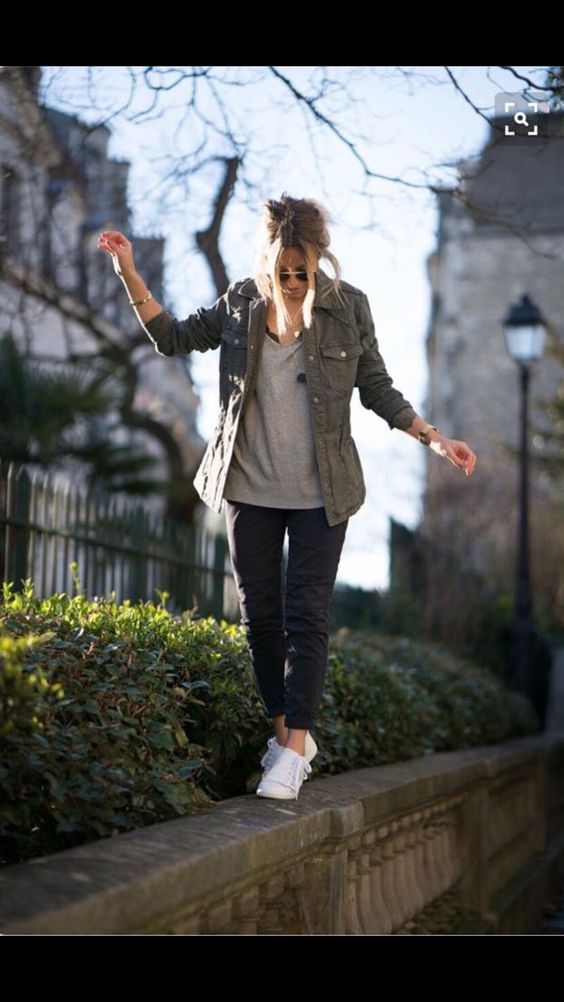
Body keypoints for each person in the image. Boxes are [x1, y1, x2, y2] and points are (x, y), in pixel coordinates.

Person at [97, 193, 477, 801]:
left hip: (322, 491)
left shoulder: (348, 307)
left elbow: (376, 387)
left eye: (303, 271)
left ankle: (295, 748)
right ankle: (287, 739)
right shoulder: (240, 303)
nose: (295, 282)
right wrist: (129, 273)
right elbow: (172, 338)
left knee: (307, 616)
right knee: (259, 619)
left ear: (319, 259)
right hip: (247, 484)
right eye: (285, 271)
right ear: (269, 262)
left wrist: (433, 439)